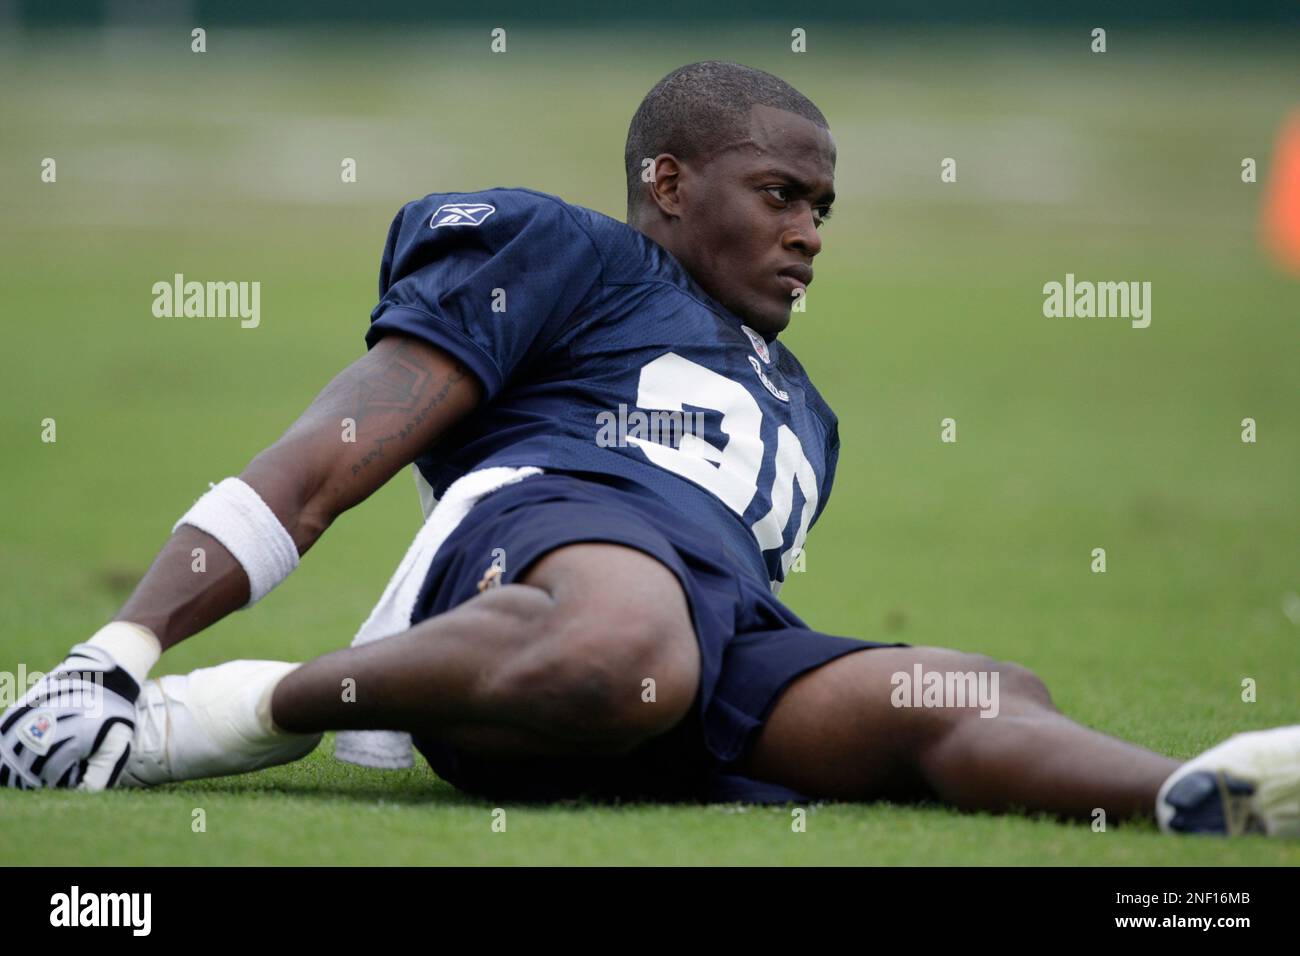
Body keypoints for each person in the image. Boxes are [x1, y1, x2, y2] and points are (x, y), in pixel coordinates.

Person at [3, 61, 1294, 836]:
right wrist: (118, 652)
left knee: (970, 686)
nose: (810, 233)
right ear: (671, 185)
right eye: (780, 195)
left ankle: (1192, 791)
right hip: (555, 549)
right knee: (630, 645)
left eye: (824, 209)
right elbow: (329, 454)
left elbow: (727, 599)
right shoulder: (570, 254)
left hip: (707, 624)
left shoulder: (804, 411)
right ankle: (230, 712)